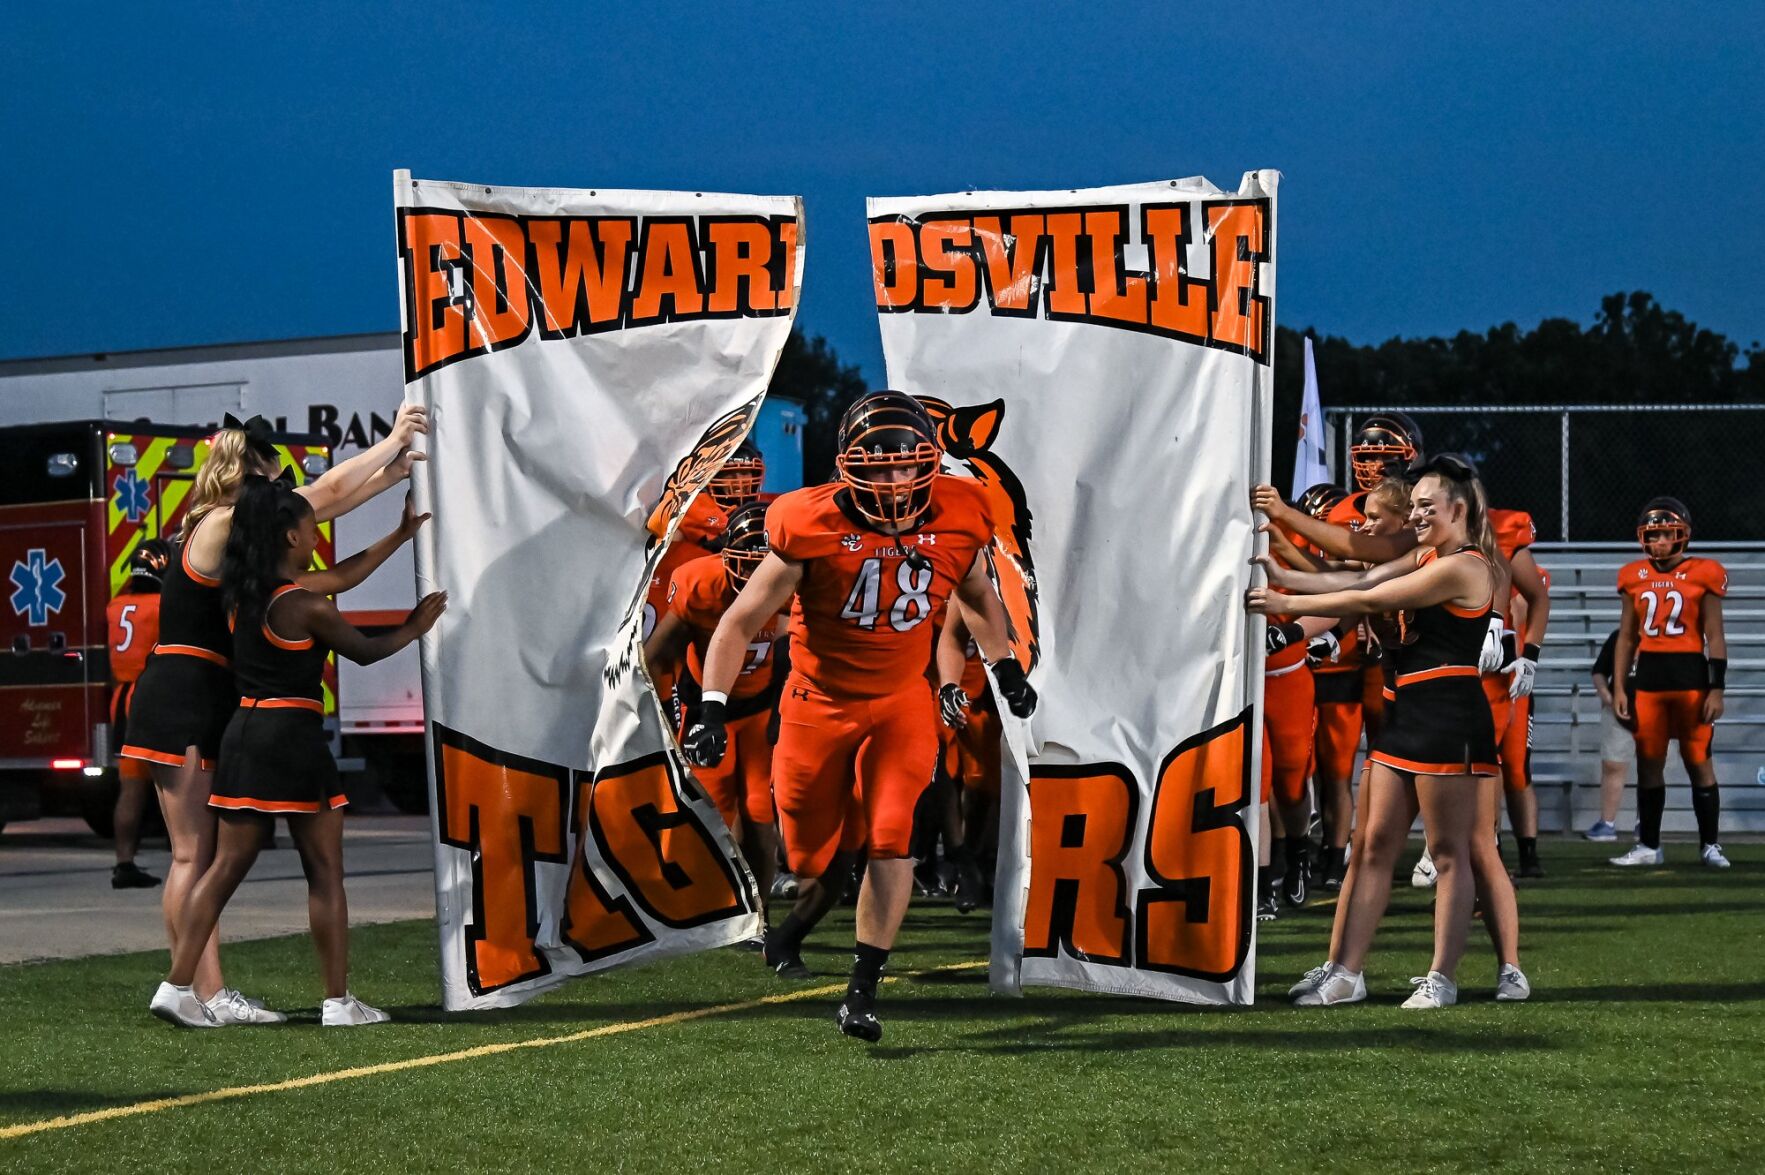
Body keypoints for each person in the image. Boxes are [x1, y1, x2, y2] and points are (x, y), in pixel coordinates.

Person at [687, 391, 1036, 1042]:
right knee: (817, 855)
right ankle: (794, 926)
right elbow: (739, 621)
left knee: (890, 837)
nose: (895, 479)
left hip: (901, 701)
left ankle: (861, 990)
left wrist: (1005, 666)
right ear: (847, 465)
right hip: (818, 706)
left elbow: (979, 594)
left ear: (930, 462)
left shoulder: (962, 510)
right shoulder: (806, 522)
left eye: (907, 464)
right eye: (877, 465)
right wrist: (710, 705)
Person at [122, 409, 425, 1024]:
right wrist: (390, 443)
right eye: (276, 478)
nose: (284, 491)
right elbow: (320, 501)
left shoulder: (225, 534)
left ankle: (202, 994)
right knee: (192, 857)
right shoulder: (227, 521)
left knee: (209, 857)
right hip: (185, 691)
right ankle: (198, 995)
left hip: (205, 691)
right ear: (252, 476)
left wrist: (393, 475)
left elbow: (321, 525)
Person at [1250, 454, 1528, 1009]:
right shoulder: (1425, 553)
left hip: (1450, 715)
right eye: (1416, 505)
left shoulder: (1467, 566)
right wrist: (1286, 573)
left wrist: (1289, 602)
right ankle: (1345, 971)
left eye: (1428, 506)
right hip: (1401, 711)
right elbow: (1364, 573)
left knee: (1452, 852)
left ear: (1459, 508)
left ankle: (1445, 977)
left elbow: (1372, 598)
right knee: (1370, 846)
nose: (1418, 514)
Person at [643, 500, 785, 908]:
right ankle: (703, 904)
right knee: (709, 808)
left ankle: (757, 911)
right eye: (745, 563)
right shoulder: (700, 583)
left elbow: (804, 655)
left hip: (763, 708)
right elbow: (658, 655)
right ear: (725, 556)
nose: (754, 577)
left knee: (760, 812)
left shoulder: (797, 586)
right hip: (705, 705)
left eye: (764, 566)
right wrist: (668, 713)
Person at [1610, 498, 1729, 868]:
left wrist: (1717, 688)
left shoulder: (1704, 571)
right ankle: (1649, 845)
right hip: (1648, 681)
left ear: (1683, 535)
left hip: (1691, 679)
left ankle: (1709, 845)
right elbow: (1627, 637)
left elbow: (1715, 635)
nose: (1659, 542)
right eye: (1653, 535)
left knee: (1698, 761)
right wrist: (1618, 686)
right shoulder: (1633, 575)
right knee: (1649, 762)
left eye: (1666, 534)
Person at [106, 539, 173, 889]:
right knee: (174, 781)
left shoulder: (115, 605)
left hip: (121, 699)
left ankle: (124, 862)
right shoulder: (163, 605)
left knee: (130, 788)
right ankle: (186, 853)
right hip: (152, 695)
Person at [1586, 627, 1634, 841]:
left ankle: (1648, 824)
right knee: (1613, 765)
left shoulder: (1666, 639)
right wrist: (1607, 696)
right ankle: (1607, 822)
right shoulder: (1619, 636)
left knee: (1654, 771)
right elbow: (1599, 671)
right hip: (1620, 711)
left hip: (1656, 712)